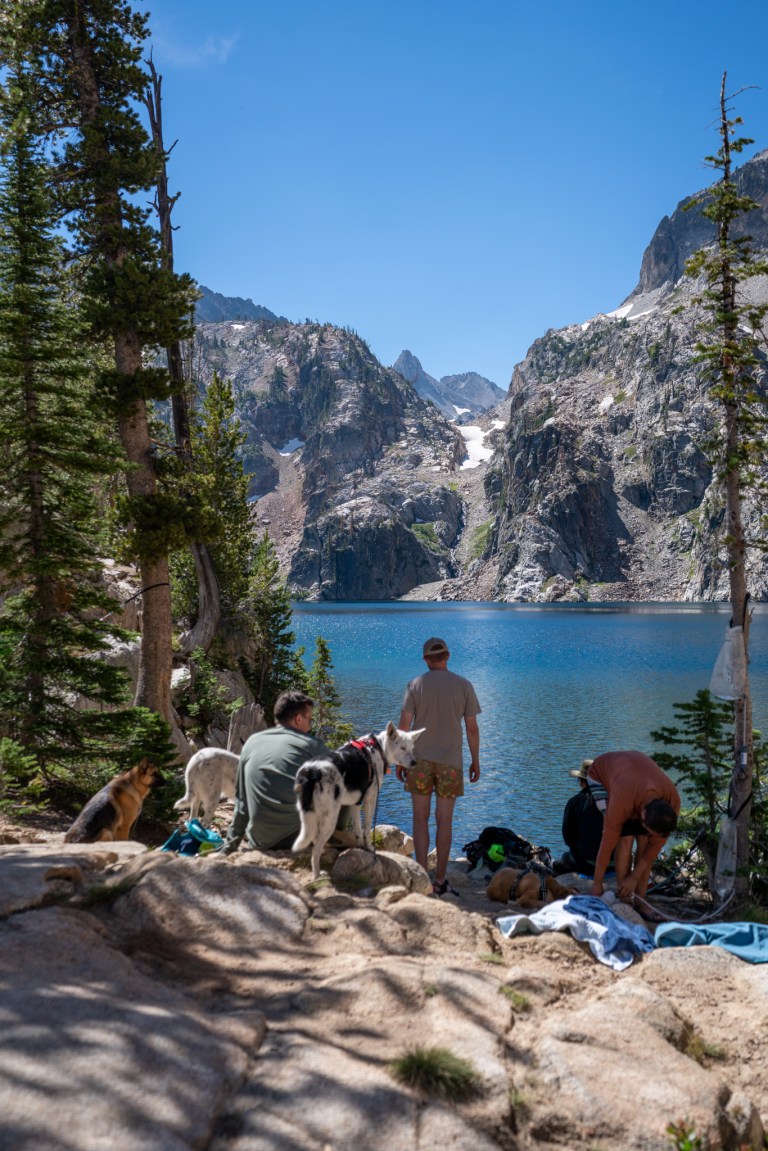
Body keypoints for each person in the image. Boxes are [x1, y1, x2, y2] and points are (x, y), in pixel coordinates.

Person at [397, 637, 481, 896]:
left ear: (426, 659)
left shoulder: (415, 685)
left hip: (419, 760)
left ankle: (422, 878)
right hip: (450, 762)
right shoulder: (464, 685)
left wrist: (401, 758)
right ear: (448, 656)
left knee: (419, 818)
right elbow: (472, 728)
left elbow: (404, 725)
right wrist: (475, 760)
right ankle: (441, 880)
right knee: (444, 821)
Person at [220, 689, 329, 855]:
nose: (310, 726)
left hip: (259, 840)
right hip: (297, 838)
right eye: (310, 720)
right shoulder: (312, 746)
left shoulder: (252, 742)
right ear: (298, 719)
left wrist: (229, 847)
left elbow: (242, 803)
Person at [587, 750, 680, 910]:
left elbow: (652, 850)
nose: (652, 836)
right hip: (601, 776)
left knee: (644, 840)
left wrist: (635, 878)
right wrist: (597, 884)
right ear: (642, 814)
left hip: (634, 779)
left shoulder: (672, 802)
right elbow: (607, 844)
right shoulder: (622, 801)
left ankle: (640, 901)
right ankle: (625, 900)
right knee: (625, 839)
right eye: (649, 830)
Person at [552, 758, 605, 876]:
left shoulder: (575, 802)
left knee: (562, 860)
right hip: (614, 864)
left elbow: (568, 838)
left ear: (581, 782)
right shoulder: (613, 800)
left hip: (588, 864)